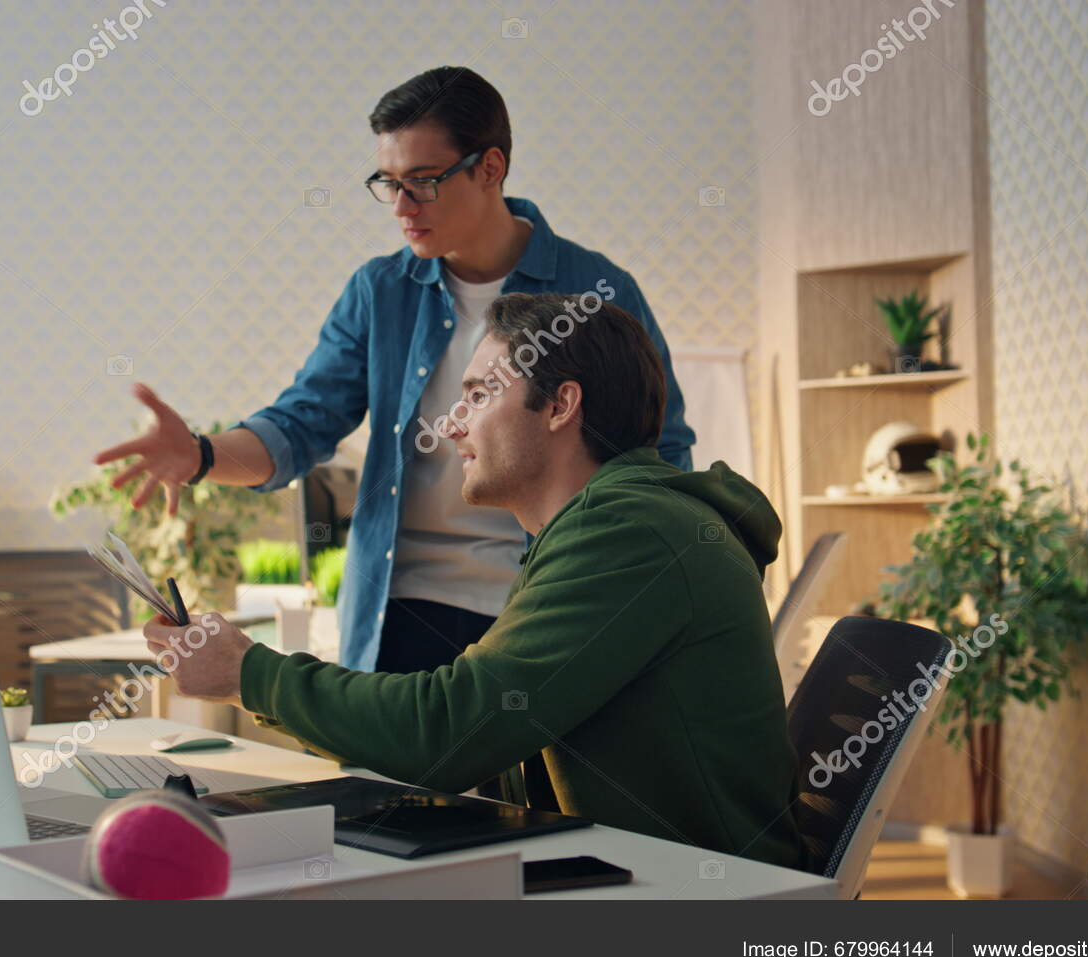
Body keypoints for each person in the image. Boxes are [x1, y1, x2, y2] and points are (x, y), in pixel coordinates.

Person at [142, 293, 802, 865]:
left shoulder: (630, 534)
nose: (451, 425)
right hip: (632, 867)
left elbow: (450, 732)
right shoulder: (601, 526)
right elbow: (485, 728)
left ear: (560, 405)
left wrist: (248, 673)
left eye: (480, 394)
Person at [95, 66, 695, 675]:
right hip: (399, 608)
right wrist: (200, 454)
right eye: (388, 183)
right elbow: (303, 424)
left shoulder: (598, 290)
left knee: (537, 772)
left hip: (546, 599)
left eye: (423, 182)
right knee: (381, 768)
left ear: (490, 167)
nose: (402, 207)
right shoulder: (380, 291)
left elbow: (658, 453)